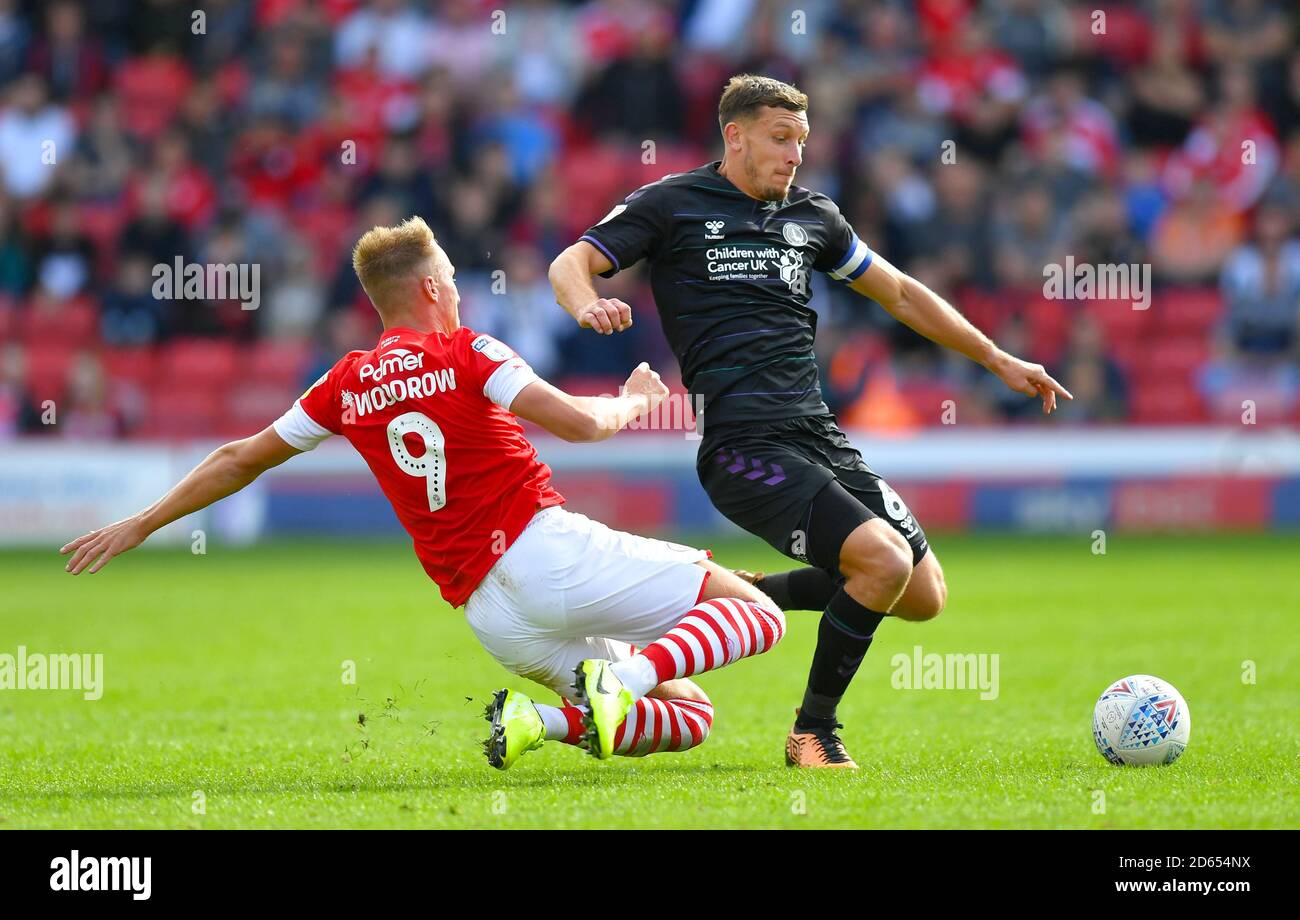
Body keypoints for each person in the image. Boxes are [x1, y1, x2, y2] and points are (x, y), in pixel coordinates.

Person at [60, 216, 785, 769]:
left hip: (491, 615)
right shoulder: (468, 351)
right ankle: (623, 677)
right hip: (544, 551)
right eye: (456, 283)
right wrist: (631, 399)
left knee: (691, 716)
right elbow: (581, 425)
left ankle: (544, 722)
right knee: (759, 615)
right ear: (434, 288)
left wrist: (145, 522)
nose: (463, 295)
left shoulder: (344, 382)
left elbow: (239, 458)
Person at [548, 74, 1071, 768]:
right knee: (880, 562)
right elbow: (570, 261)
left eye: (801, 140)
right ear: (735, 137)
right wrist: (587, 303)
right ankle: (812, 733)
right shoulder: (673, 205)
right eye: (779, 138)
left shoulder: (813, 218)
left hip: (819, 437)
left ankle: (748, 594)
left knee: (921, 595)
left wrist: (996, 356)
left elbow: (903, 294)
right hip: (742, 446)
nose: (794, 154)